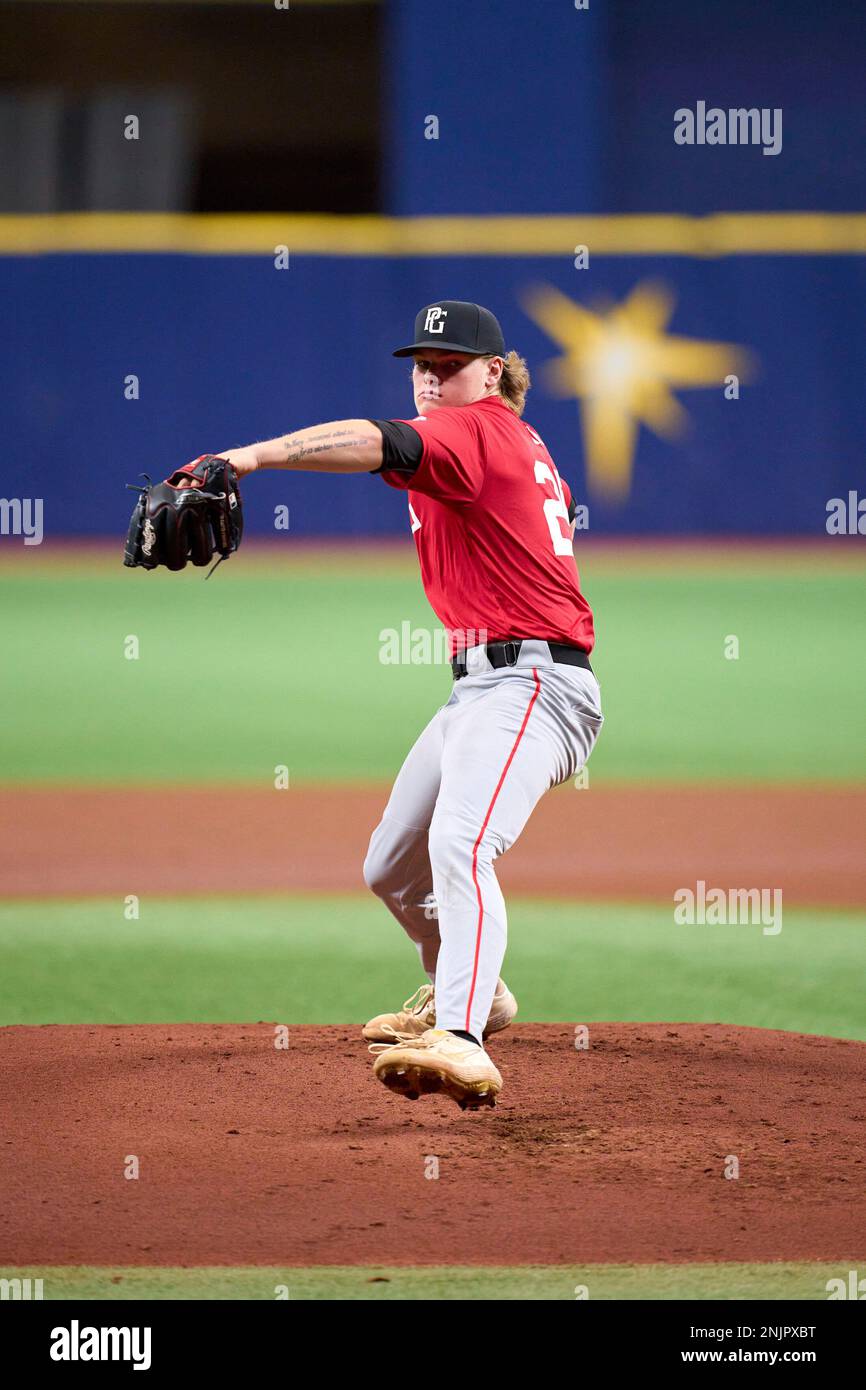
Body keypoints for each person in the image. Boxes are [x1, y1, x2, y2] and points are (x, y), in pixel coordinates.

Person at [207, 300, 603, 1110]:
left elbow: (374, 440)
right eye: (421, 362)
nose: (429, 375)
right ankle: (473, 990)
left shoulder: (478, 427)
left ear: (492, 373)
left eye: (447, 362)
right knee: (391, 865)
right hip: (483, 684)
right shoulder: (499, 441)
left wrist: (252, 457)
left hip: (535, 684)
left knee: (461, 843)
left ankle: (461, 1036)